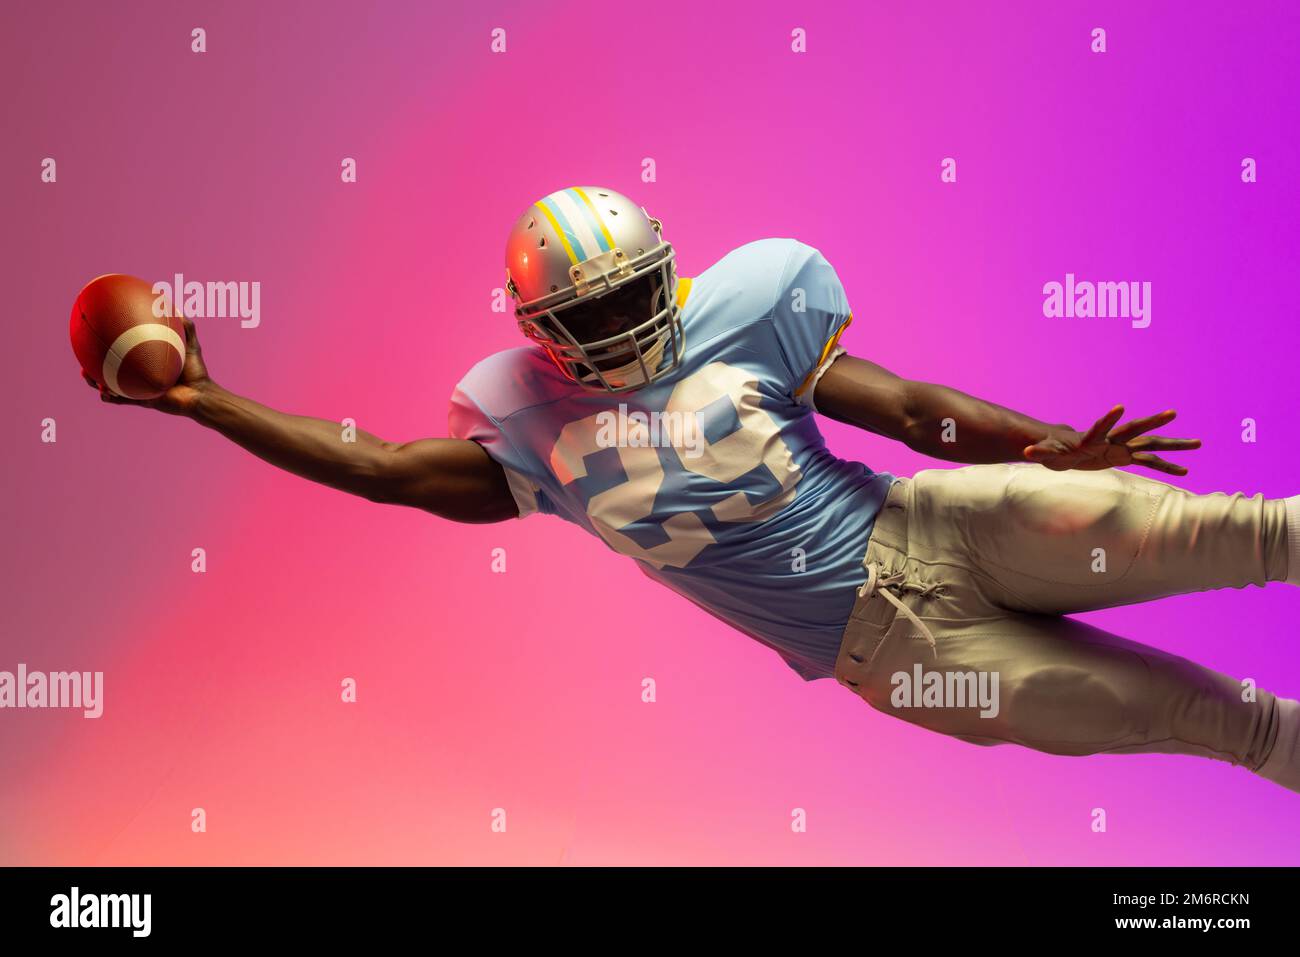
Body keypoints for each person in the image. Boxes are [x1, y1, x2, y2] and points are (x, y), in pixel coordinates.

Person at [85, 185, 1300, 794]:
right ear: (539, 331)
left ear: (672, 272)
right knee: (1210, 720)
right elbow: (380, 470)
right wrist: (204, 398)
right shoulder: (532, 427)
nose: (619, 325)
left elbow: (899, 402)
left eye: (632, 294)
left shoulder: (752, 306)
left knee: (1237, 532)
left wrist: (1038, 444)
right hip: (887, 651)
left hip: (937, 524)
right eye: (591, 311)